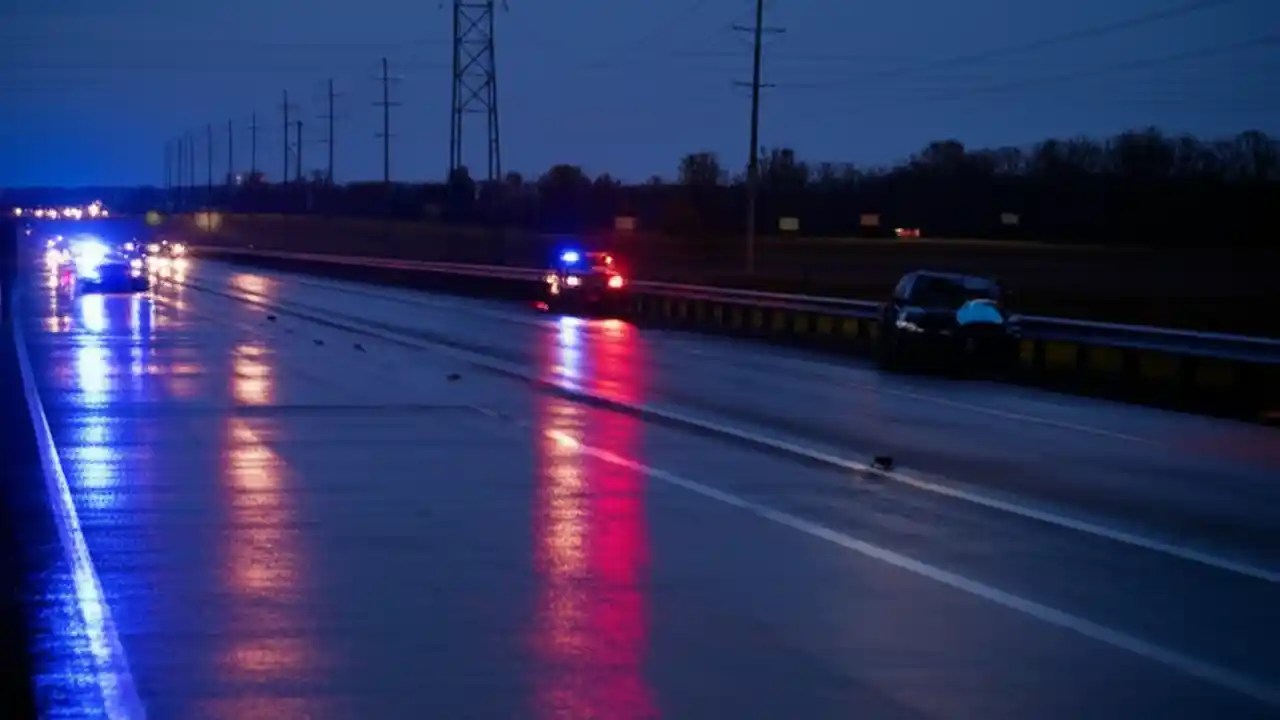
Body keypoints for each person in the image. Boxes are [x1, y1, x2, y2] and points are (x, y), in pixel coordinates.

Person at [0, 216, 15, 324]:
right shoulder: (9, 231)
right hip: (7, 266)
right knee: (7, 292)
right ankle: (6, 315)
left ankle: (6, 314)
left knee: (7, 291)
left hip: (7, 266)